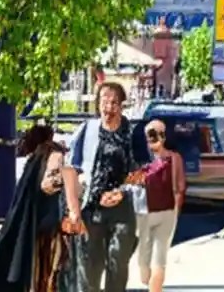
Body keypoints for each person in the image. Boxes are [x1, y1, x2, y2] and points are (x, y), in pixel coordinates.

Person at [69, 81, 150, 292]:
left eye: (114, 102)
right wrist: (73, 209)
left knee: (118, 265)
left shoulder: (133, 133)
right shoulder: (87, 131)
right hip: (91, 207)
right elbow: (71, 170)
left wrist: (121, 191)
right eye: (104, 101)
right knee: (89, 270)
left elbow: (142, 172)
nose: (108, 107)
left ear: (122, 106)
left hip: (122, 209)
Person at [0, 123, 84, 292]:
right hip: (51, 229)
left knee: (41, 280)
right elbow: (53, 180)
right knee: (50, 280)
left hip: (40, 229)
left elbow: (53, 179)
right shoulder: (51, 153)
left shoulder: (43, 156)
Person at [134, 119, 186, 292]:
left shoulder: (174, 158)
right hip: (143, 213)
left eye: (157, 133)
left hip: (166, 212)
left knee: (160, 257)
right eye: (150, 133)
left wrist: (175, 211)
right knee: (143, 259)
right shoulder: (140, 159)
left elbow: (180, 186)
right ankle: (149, 281)